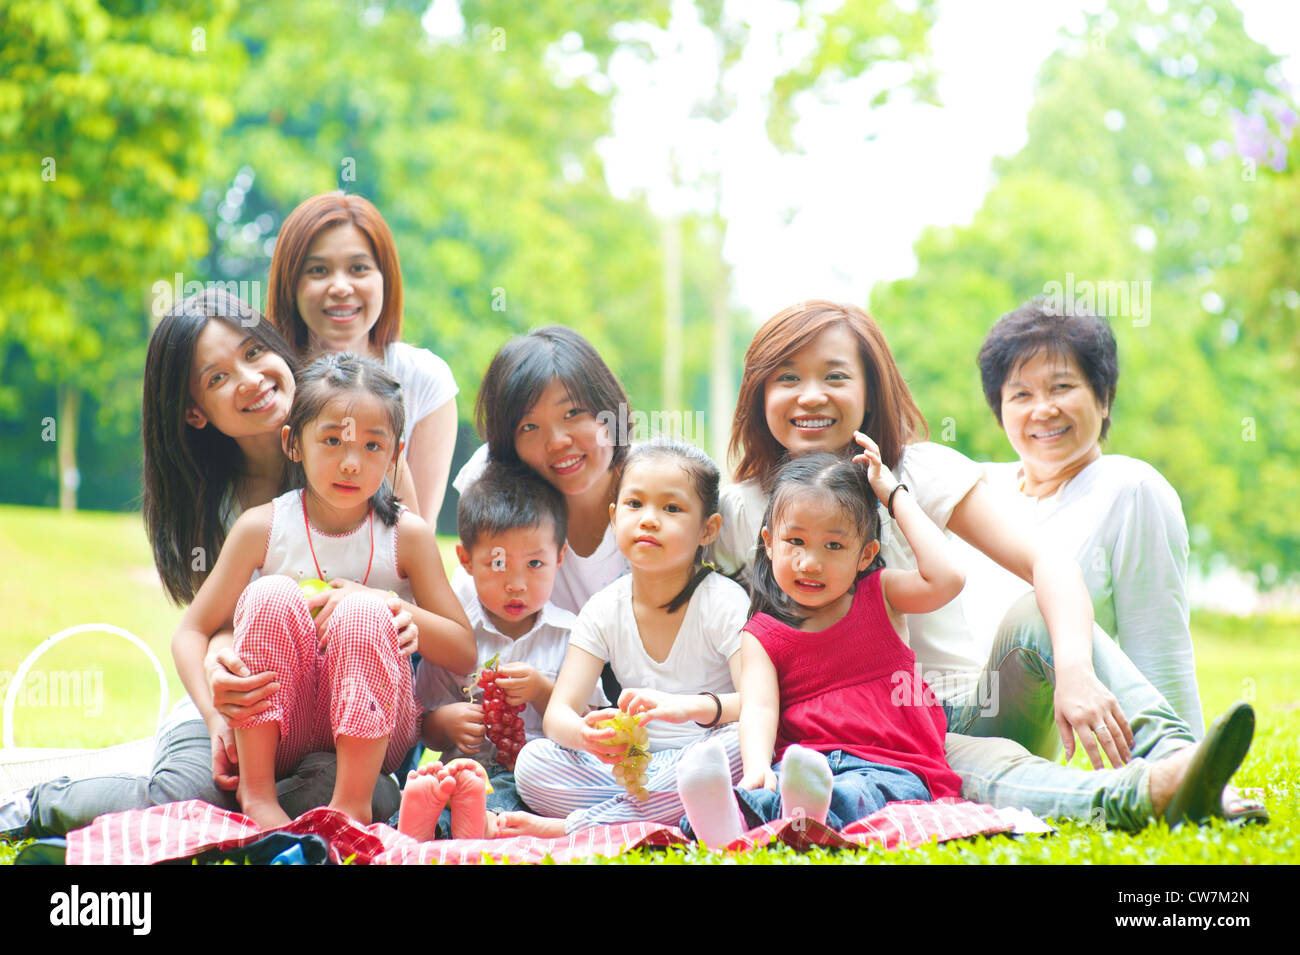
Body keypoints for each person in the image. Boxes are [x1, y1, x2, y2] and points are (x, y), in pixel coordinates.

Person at [712, 300, 1256, 830]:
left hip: (967, 707)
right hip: (856, 744)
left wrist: (1073, 672)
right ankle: (1155, 792)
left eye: (834, 376)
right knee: (994, 773)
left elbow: (1047, 561)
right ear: (759, 392)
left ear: (868, 390)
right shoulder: (739, 510)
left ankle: (1188, 763)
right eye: (786, 378)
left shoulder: (918, 471)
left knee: (1034, 610)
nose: (811, 396)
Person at [1, 291, 404, 837]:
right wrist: (216, 710)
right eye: (217, 378)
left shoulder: (362, 455)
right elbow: (203, 629)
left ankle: (236, 820)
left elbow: (416, 603)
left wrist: (385, 607)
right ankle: (35, 806)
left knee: (366, 791)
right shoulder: (216, 507)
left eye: (254, 352)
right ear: (194, 411)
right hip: (239, 708)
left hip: (334, 718)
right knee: (185, 790)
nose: (250, 379)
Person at [170, 351, 475, 828]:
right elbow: (192, 631)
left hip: (379, 729)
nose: (351, 463)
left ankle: (352, 802)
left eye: (373, 447)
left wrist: (386, 604)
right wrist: (215, 718)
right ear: (294, 444)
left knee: (362, 613)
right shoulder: (261, 529)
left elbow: (463, 650)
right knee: (270, 595)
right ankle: (258, 797)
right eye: (332, 440)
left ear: (396, 453)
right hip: (282, 723)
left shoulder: (406, 536)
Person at [679, 450, 964, 847]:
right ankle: (727, 821)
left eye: (833, 546)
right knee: (762, 796)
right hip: (802, 765)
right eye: (795, 541)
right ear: (769, 544)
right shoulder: (761, 633)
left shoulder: (880, 594)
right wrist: (758, 766)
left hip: (890, 766)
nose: (810, 562)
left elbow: (947, 578)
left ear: (865, 554)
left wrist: (891, 493)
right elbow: (759, 707)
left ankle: (805, 818)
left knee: (860, 796)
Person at [966, 300, 1203, 734]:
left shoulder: (1130, 491)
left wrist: (1181, 759)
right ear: (1000, 412)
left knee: (1037, 610)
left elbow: (1158, 648)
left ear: (1104, 396)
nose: (1043, 410)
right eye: (1021, 394)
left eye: (1061, 387)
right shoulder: (976, 488)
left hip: (1008, 729)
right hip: (931, 711)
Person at [502, 440, 749, 836]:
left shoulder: (723, 602)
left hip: (705, 753)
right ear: (614, 518)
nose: (649, 520)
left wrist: (685, 708)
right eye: (635, 505)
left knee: (739, 745)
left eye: (671, 508)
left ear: (708, 528)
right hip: (633, 767)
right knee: (533, 762)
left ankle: (576, 827)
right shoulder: (603, 610)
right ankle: (666, 812)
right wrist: (585, 735)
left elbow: (757, 702)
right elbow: (558, 714)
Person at [397, 462, 607, 841]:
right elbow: (422, 725)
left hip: (544, 775)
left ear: (560, 556)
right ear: (465, 561)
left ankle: (461, 824)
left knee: (528, 800)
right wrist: (447, 722)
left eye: (535, 564)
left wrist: (544, 693)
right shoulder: (457, 637)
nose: (516, 584)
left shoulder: (573, 633)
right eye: (497, 563)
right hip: (468, 771)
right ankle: (442, 819)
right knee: (451, 784)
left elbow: (588, 724)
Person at [266, 190, 459, 520]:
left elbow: (418, 531)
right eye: (318, 271)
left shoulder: (425, 378)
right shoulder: (268, 381)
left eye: (358, 268)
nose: (340, 287)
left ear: (386, 278)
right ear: (291, 284)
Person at [451, 326, 630, 616]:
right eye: (529, 427)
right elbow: (466, 614)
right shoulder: (490, 478)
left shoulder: (658, 481)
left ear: (609, 410)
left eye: (572, 413)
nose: (558, 441)